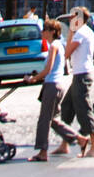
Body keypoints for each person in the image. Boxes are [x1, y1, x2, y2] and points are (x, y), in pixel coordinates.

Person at [25, 19, 80, 162]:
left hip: (52, 85)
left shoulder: (54, 46)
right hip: (56, 85)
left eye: (45, 29)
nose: (42, 32)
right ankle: (79, 138)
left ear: (52, 32)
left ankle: (42, 152)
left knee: (44, 120)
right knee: (53, 120)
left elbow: (48, 69)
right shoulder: (57, 45)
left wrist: (34, 79)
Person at [55, 8, 94, 158]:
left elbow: (67, 52)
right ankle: (64, 144)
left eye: (72, 18)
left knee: (84, 109)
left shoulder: (81, 33)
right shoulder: (86, 31)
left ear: (79, 19)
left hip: (82, 75)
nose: (69, 21)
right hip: (79, 74)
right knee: (67, 107)